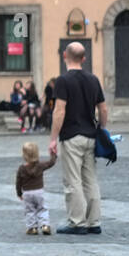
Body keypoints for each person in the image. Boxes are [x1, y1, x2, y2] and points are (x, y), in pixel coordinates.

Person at [49, 43, 109, 235]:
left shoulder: (63, 81)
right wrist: (102, 130)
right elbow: (103, 108)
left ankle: (77, 222)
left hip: (71, 136)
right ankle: (94, 222)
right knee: (90, 180)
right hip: (91, 135)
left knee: (73, 181)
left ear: (64, 55)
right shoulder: (93, 79)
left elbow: (60, 111)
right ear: (84, 58)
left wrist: (53, 138)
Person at [15, 141, 56, 235]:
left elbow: (18, 182)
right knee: (42, 208)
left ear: (24, 155)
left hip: (27, 193)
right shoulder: (40, 166)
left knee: (29, 210)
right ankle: (45, 225)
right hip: (39, 192)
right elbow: (51, 163)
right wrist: (53, 153)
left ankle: (32, 228)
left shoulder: (21, 168)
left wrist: (19, 193)